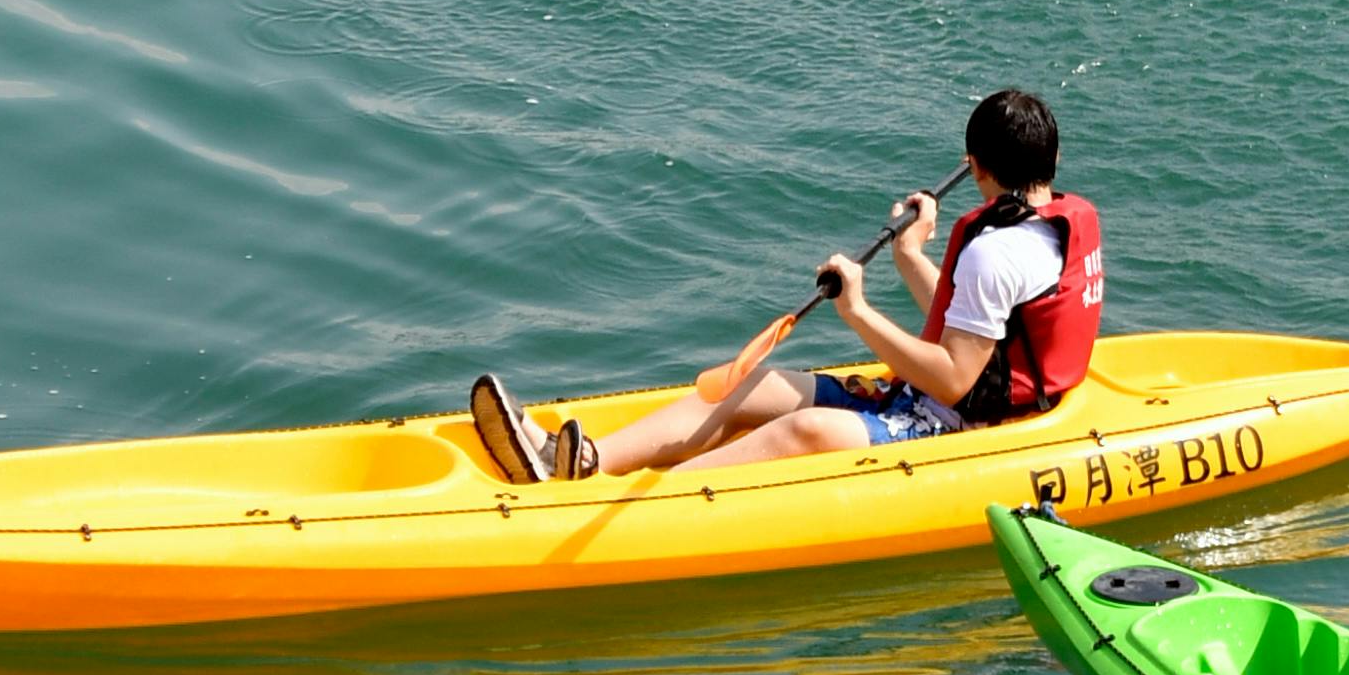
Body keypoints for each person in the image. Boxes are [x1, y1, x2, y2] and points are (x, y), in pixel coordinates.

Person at [472, 90, 1102, 485]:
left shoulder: (998, 250)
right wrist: (909, 252)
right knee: (750, 383)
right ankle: (581, 461)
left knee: (799, 433)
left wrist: (855, 310)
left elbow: (954, 379)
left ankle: (638, 507)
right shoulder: (1039, 230)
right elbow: (973, 324)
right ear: (1052, 161)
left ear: (976, 167)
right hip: (933, 400)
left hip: (962, 428)